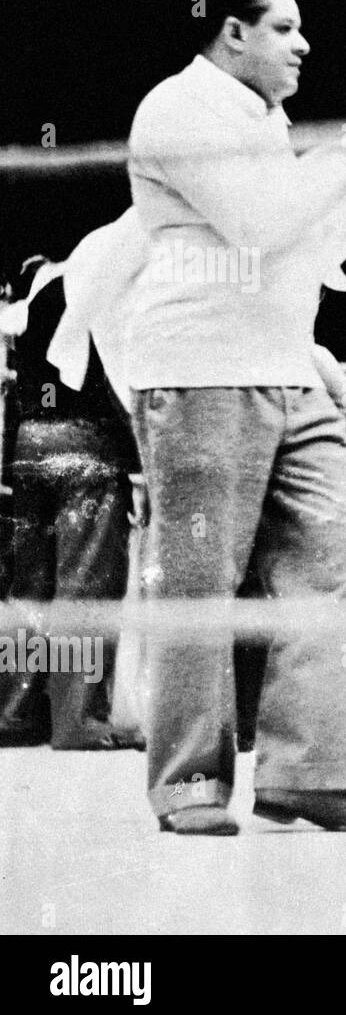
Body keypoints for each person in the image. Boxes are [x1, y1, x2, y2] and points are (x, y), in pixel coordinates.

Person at [125, 0, 346, 835]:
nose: (303, 44)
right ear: (233, 34)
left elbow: (303, 246)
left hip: (289, 368)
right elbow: (255, 223)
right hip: (201, 371)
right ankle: (188, 784)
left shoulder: (264, 122)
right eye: (284, 27)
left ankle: (309, 772)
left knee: (345, 553)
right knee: (200, 581)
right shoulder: (175, 109)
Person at [0, 260, 143, 750]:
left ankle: (14, 713)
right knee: (85, 586)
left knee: (30, 584)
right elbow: (119, 386)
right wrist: (141, 460)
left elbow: (27, 390)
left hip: (29, 442)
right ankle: (79, 720)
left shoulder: (31, 305)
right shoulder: (94, 287)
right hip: (82, 442)